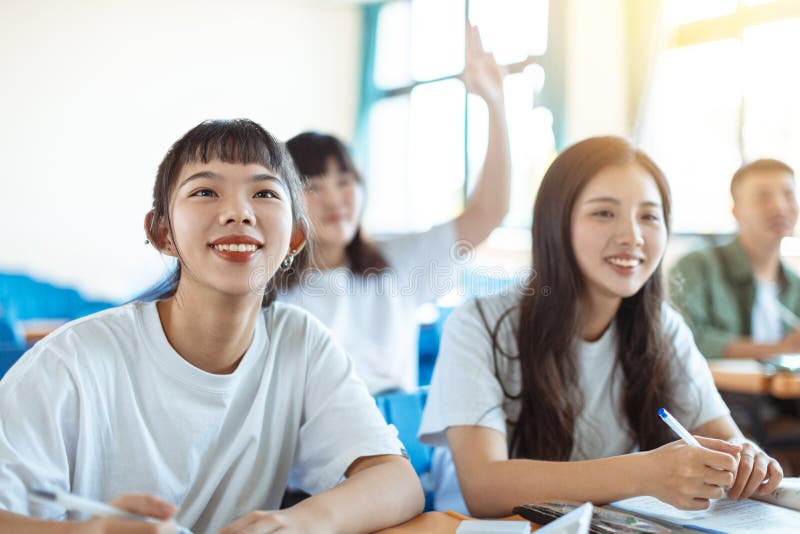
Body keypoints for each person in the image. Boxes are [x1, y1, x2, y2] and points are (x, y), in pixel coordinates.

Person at [0, 119, 423, 533]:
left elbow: (398, 482)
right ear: (162, 232)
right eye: (205, 191)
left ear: (295, 238)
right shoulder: (71, 361)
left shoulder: (301, 343)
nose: (238, 212)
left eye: (264, 193)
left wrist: (295, 522)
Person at [418, 136, 783, 517]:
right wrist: (646, 472)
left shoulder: (662, 327)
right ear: (556, 222)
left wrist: (746, 459)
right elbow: (484, 488)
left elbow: (726, 438)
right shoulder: (479, 323)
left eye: (649, 216)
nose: (633, 236)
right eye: (604, 213)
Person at [281, 23, 511, 395]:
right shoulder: (267, 288)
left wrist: (495, 103)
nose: (336, 199)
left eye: (344, 181)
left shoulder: (395, 263)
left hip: (393, 437)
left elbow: (488, 211)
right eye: (312, 186)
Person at [670, 159, 800, 361]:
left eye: (788, 195)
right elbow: (685, 339)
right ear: (736, 211)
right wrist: (782, 348)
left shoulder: (795, 283)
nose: (779, 207)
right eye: (762, 197)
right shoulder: (697, 266)